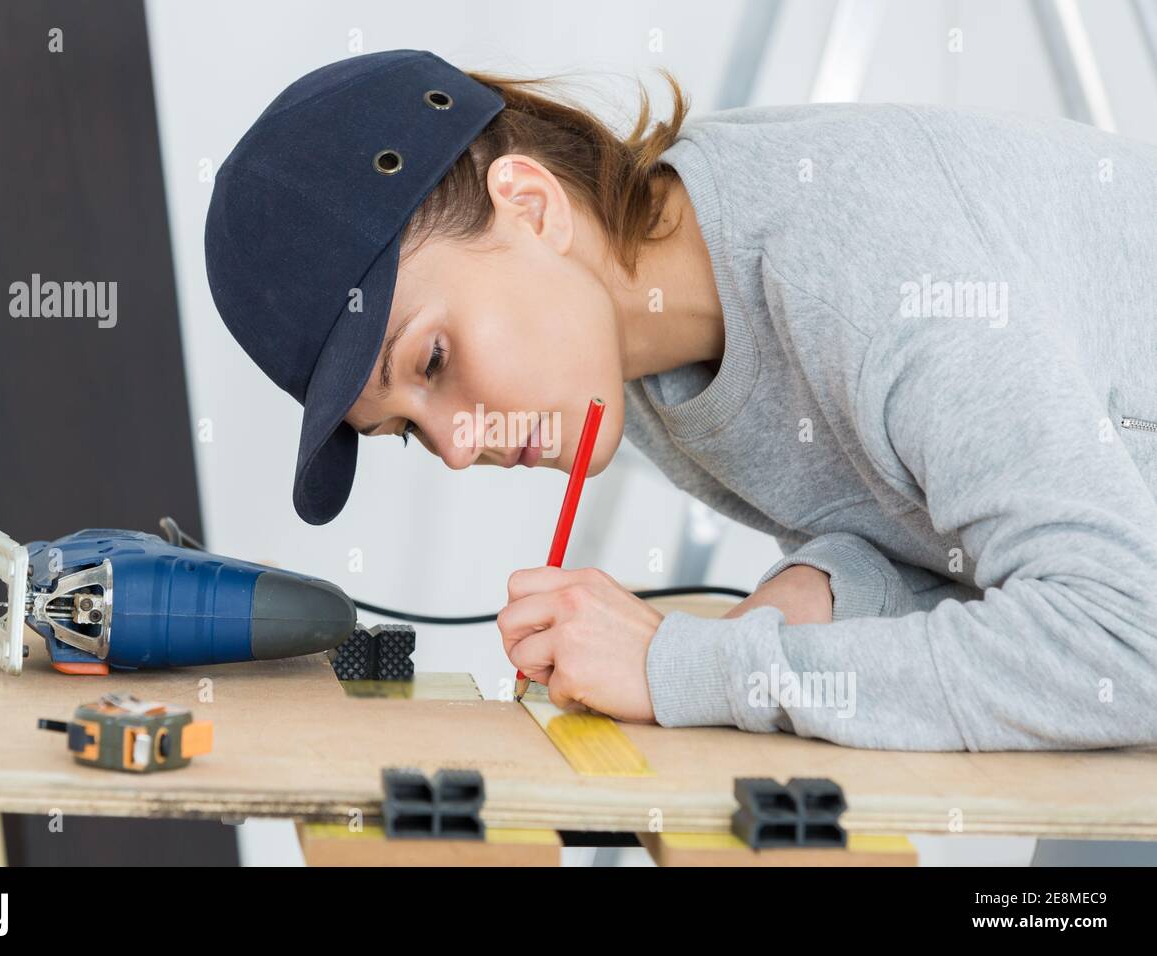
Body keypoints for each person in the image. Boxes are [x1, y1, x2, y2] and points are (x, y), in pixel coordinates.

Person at [205, 49, 1157, 751]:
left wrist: (688, 668)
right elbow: (955, 533)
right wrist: (815, 595)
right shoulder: (645, 356)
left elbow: (1125, 646)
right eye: (408, 431)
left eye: (435, 359)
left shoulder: (868, 262)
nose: (459, 447)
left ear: (531, 206)